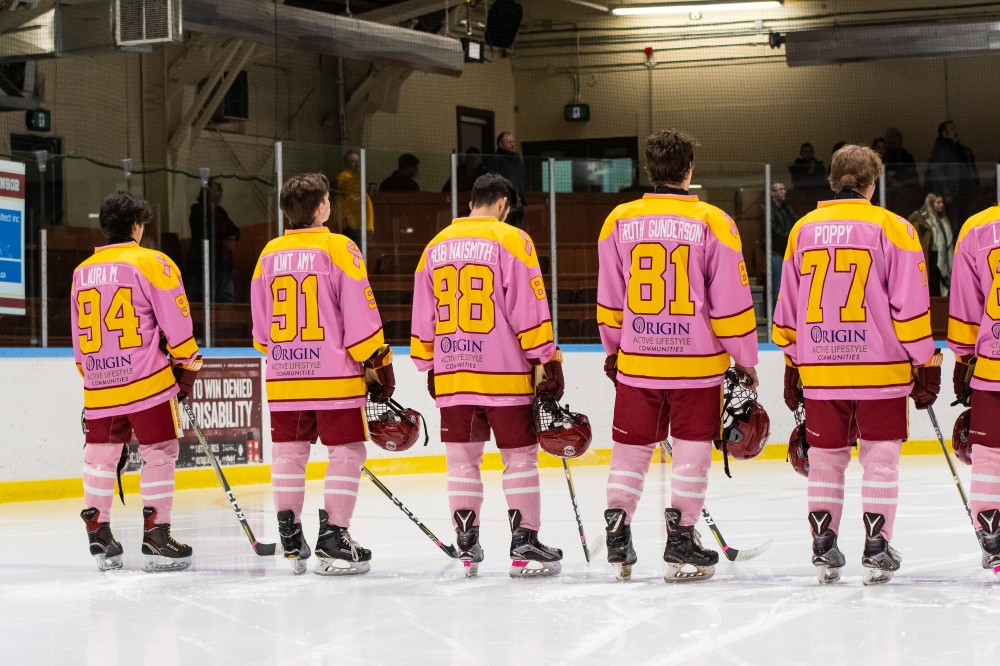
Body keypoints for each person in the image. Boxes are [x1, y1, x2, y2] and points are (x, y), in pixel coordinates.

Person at [773, 145, 940, 586]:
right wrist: (926, 361)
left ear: (833, 180)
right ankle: (877, 545)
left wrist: (792, 361)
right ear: (872, 183)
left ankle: (823, 544)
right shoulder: (895, 228)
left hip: (822, 368)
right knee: (880, 460)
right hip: (880, 369)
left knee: (826, 461)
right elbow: (910, 307)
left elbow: (788, 306)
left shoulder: (802, 229)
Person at [597, 129, 759, 582]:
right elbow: (730, 302)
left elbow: (610, 298)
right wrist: (745, 358)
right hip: (697, 365)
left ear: (651, 169)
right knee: (691, 454)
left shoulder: (618, 220)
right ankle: (681, 540)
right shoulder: (713, 221)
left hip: (639, 361)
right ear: (689, 169)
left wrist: (615, 350)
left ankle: (617, 534)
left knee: (629, 453)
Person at [410, 173, 565, 578]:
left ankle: (466, 545)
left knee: (462, 461)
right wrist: (547, 360)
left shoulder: (434, 247)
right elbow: (527, 310)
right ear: (502, 205)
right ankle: (524, 544)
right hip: (504, 375)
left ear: (471, 203)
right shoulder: (513, 240)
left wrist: (428, 364)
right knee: (519, 459)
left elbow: (423, 316)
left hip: (453, 375)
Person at [251, 172, 395, 576]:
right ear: (321, 207)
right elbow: (361, 316)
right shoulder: (338, 247)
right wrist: (377, 362)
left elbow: (262, 335)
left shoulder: (268, 255)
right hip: (334, 376)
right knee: (347, 452)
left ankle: (290, 535)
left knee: (288, 457)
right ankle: (334, 537)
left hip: (284, 378)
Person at [73, 191, 202, 572]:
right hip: (147, 382)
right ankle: (157, 535)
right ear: (136, 226)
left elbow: (80, 343)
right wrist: (186, 367)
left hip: (98, 385)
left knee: (99, 458)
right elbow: (178, 327)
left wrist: (94, 377)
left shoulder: (81, 272)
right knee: (159, 451)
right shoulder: (152, 262)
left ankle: (99, 533)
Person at [946, 200, 1000, 578]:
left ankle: (992, 538)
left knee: (989, 456)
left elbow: (966, 305)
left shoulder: (978, 227)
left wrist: (964, 360)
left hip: (993, 361)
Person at [186, 178, 242, 303]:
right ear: (206, 194)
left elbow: (235, 230)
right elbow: (202, 235)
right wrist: (223, 242)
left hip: (222, 265)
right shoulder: (197, 211)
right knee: (200, 301)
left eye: (219, 193)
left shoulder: (220, 212)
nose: (218, 196)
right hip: (201, 265)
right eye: (215, 193)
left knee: (226, 300)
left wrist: (231, 238)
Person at [927, 120, 979, 235]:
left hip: (965, 192)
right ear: (943, 133)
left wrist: (975, 187)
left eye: (955, 128)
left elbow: (970, 169)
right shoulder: (941, 149)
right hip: (951, 194)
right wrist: (946, 192)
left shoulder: (961, 149)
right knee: (953, 225)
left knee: (965, 224)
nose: (955, 131)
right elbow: (938, 172)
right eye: (951, 129)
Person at [908, 193, 953, 296]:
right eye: (938, 202)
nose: (941, 205)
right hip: (929, 255)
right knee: (930, 283)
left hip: (940, 255)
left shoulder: (944, 220)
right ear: (931, 203)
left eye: (942, 202)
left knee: (938, 284)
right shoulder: (921, 219)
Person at [763, 181, 797, 309]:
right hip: (776, 254)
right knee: (777, 289)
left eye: (784, 189)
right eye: (780, 189)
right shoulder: (768, 210)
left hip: (787, 253)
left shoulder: (786, 209)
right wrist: (790, 237)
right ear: (772, 193)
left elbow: (795, 222)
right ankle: (774, 323)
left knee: (788, 289)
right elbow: (774, 231)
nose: (783, 191)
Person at [483, 132, 526, 227]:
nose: (512, 145)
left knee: (517, 228)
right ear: (500, 144)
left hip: (518, 201)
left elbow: (520, 178)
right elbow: (494, 179)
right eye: (509, 142)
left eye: (513, 142)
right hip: (504, 201)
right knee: (505, 226)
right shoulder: (494, 159)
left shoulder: (516, 158)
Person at [334, 149, 375, 248]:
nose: (356, 165)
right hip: (352, 225)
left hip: (361, 224)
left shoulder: (359, 177)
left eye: (358, 162)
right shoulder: (344, 178)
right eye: (353, 162)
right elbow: (344, 202)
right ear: (346, 163)